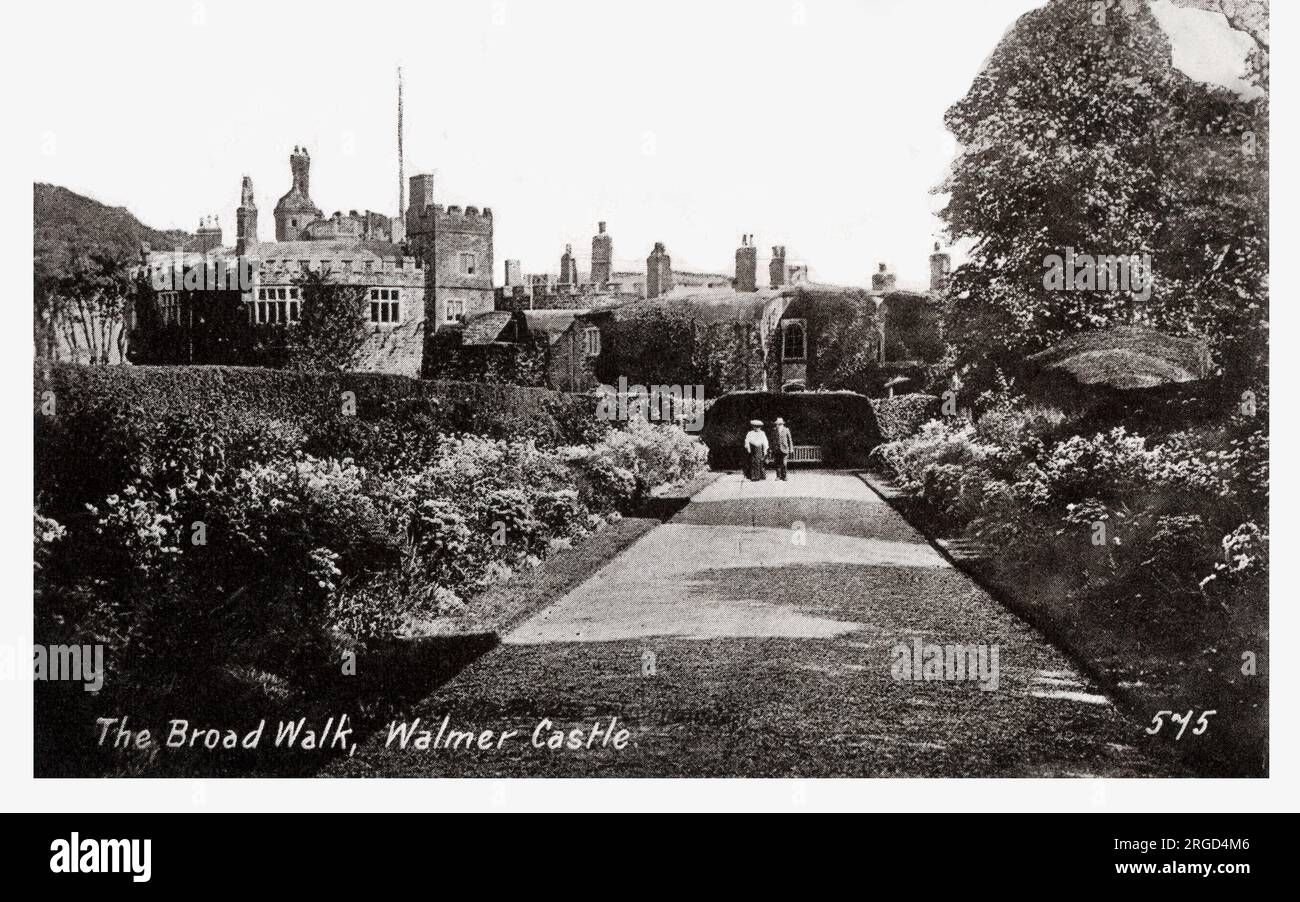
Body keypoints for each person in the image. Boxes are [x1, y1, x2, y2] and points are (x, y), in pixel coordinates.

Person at [773, 417, 793, 481]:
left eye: (779, 424)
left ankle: (784, 476)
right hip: (777, 449)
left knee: (784, 463)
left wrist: (791, 448)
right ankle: (778, 476)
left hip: (784, 449)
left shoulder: (786, 430)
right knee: (777, 463)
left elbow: (790, 440)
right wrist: (771, 448)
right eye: (777, 424)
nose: (777, 425)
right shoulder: (774, 430)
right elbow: (772, 440)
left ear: (781, 424)